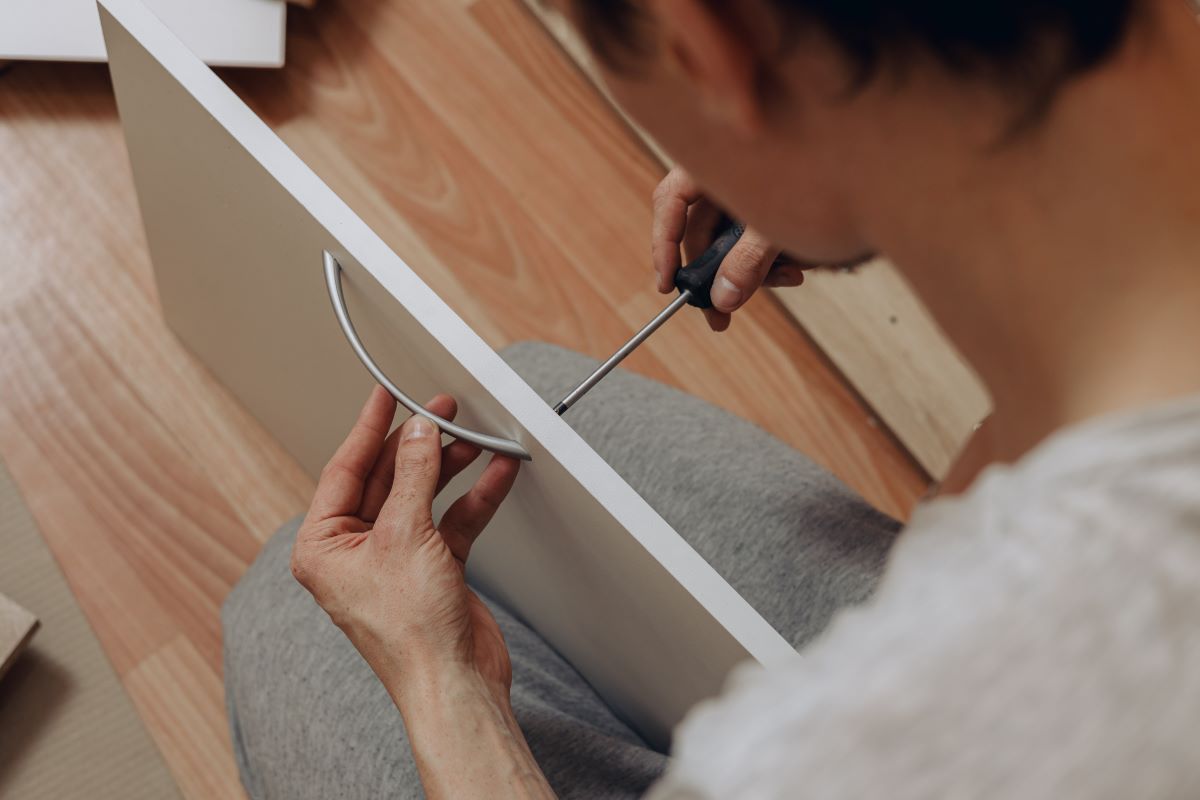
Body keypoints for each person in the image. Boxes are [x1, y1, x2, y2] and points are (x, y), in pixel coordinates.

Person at [223, 0, 1200, 797]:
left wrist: (443, 688)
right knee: (531, 396)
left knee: (291, 615)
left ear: (710, 49)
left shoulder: (843, 752)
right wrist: (858, 164)